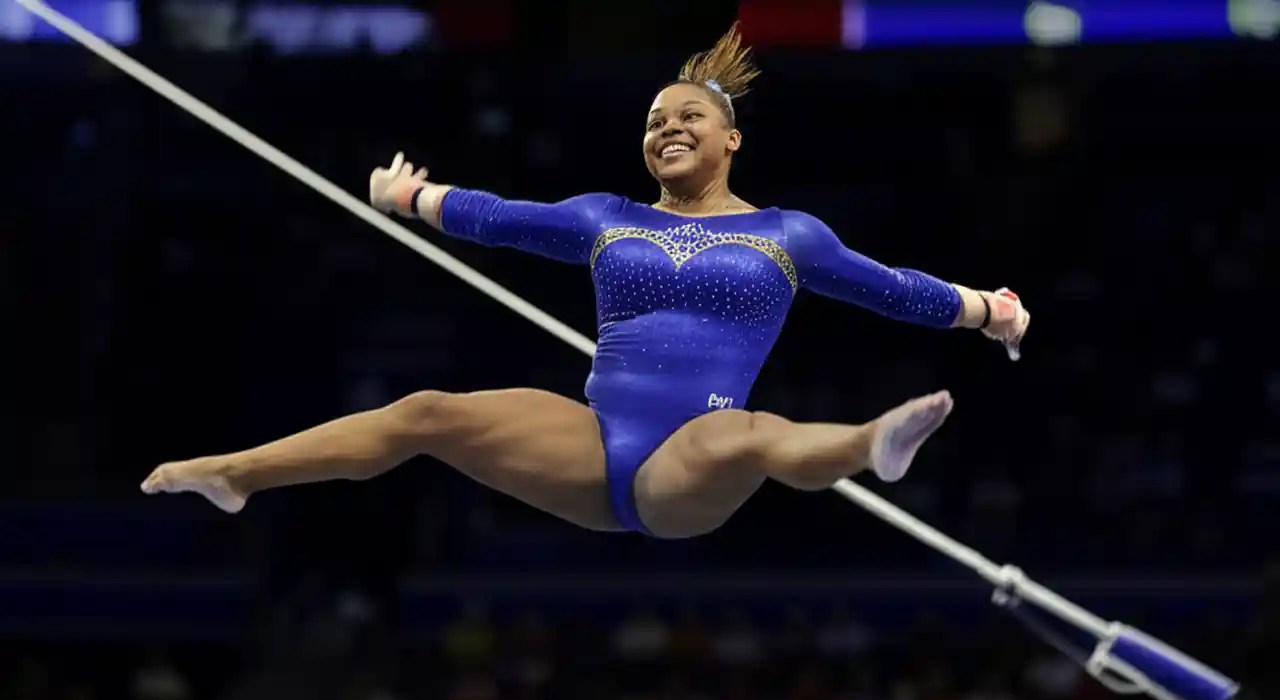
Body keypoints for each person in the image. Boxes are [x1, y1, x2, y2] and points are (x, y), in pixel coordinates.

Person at [141, 25, 1029, 539]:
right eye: (654, 121)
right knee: (426, 412)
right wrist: (409, 194)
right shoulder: (606, 217)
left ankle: (872, 444)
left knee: (745, 433)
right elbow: (500, 216)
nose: (667, 128)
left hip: (691, 468)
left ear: (731, 142)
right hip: (595, 442)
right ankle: (236, 474)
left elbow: (890, 287)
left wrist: (987, 310)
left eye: (689, 117)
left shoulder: (789, 235)